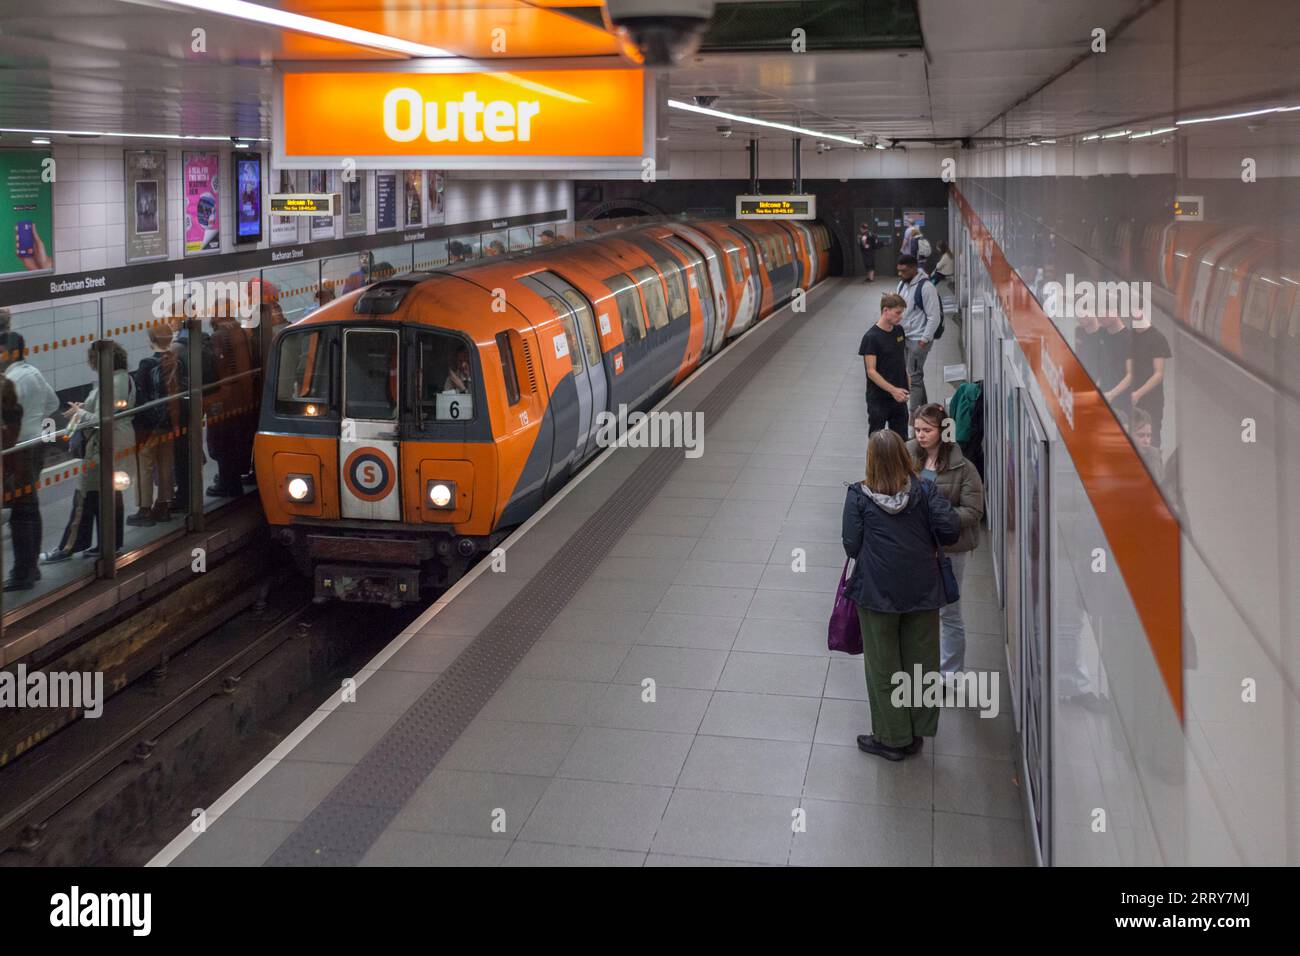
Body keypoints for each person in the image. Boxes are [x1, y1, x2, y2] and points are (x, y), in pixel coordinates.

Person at [842, 428, 961, 761]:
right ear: (903, 457)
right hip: (922, 591)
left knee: (883, 665)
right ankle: (916, 731)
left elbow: (851, 545)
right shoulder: (925, 489)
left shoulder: (858, 495)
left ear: (871, 462)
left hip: (876, 594)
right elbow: (950, 530)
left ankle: (892, 738)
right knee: (920, 662)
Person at [908, 403, 985, 678]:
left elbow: (974, 510)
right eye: (917, 429)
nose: (920, 435)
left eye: (927, 430)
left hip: (950, 549)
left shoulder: (964, 467)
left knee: (949, 612)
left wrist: (941, 519)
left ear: (943, 430)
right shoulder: (907, 455)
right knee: (919, 609)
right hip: (916, 547)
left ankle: (950, 674)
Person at [43, 343, 134, 562]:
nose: (91, 365)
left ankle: (68, 547)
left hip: (103, 446)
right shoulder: (124, 378)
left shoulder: (112, 382)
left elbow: (102, 419)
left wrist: (80, 412)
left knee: (84, 494)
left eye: (92, 360)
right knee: (107, 495)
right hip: (119, 442)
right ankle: (109, 544)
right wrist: (86, 407)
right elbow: (110, 409)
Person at [3, 332, 59, 589]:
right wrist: (34, 423)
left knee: (21, 512)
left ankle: (22, 573)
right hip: (35, 446)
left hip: (19, 451)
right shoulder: (33, 373)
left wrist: (22, 427)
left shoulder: (12, 379)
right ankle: (31, 568)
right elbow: (53, 403)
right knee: (29, 507)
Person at [128, 326, 179, 525]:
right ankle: (164, 505)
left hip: (150, 425)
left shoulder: (146, 364)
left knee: (145, 464)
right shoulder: (175, 360)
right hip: (169, 420)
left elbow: (140, 396)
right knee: (166, 463)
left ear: (151, 340)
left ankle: (144, 508)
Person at [895, 254, 942, 415]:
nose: (901, 274)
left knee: (913, 378)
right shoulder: (902, 284)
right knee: (915, 376)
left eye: (904, 271)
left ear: (914, 268)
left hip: (918, 339)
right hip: (905, 337)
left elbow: (934, 316)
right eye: (899, 271)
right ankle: (926, 411)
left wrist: (924, 339)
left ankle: (914, 417)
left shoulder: (927, 287)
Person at [859, 293, 910, 436]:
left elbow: (900, 360)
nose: (900, 317)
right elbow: (871, 371)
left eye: (902, 313)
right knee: (877, 440)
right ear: (885, 311)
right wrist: (893, 390)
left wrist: (907, 382)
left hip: (899, 397)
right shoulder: (871, 337)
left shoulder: (899, 331)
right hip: (878, 399)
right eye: (898, 313)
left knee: (901, 440)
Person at [1128, 306, 1170, 447]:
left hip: (1151, 399)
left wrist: (1138, 394)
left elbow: (1159, 374)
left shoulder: (1157, 338)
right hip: (1132, 397)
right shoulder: (1131, 335)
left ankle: (1154, 466)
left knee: (1151, 437)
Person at [1097, 310, 1133, 408]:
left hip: (1121, 402)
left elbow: (1131, 374)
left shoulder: (1129, 339)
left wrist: (1112, 394)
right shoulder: (1102, 333)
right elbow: (1102, 364)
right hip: (1103, 396)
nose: (1100, 317)